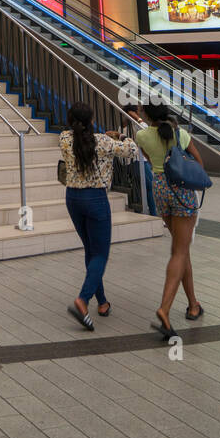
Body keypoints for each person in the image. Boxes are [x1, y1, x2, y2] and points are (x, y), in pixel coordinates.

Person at [59, 103, 140, 330]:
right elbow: (132, 151)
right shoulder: (104, 142)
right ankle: (83, 300)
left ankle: (102, 302)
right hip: (95, 199)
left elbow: (82, 142)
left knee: (90, 250)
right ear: (91, 120)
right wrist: (121, 136)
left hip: (73, 198)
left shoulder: (64, 138)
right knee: (101, 254)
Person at [136, 103, 205, 339]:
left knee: (181, 249)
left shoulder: (142, 135)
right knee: (179, 252)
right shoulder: (180, 134)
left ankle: (193, 304)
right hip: (182, 191)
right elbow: (198, 162)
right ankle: (164, 310)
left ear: (146, 115)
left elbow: (148, 158)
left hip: (160, 191)